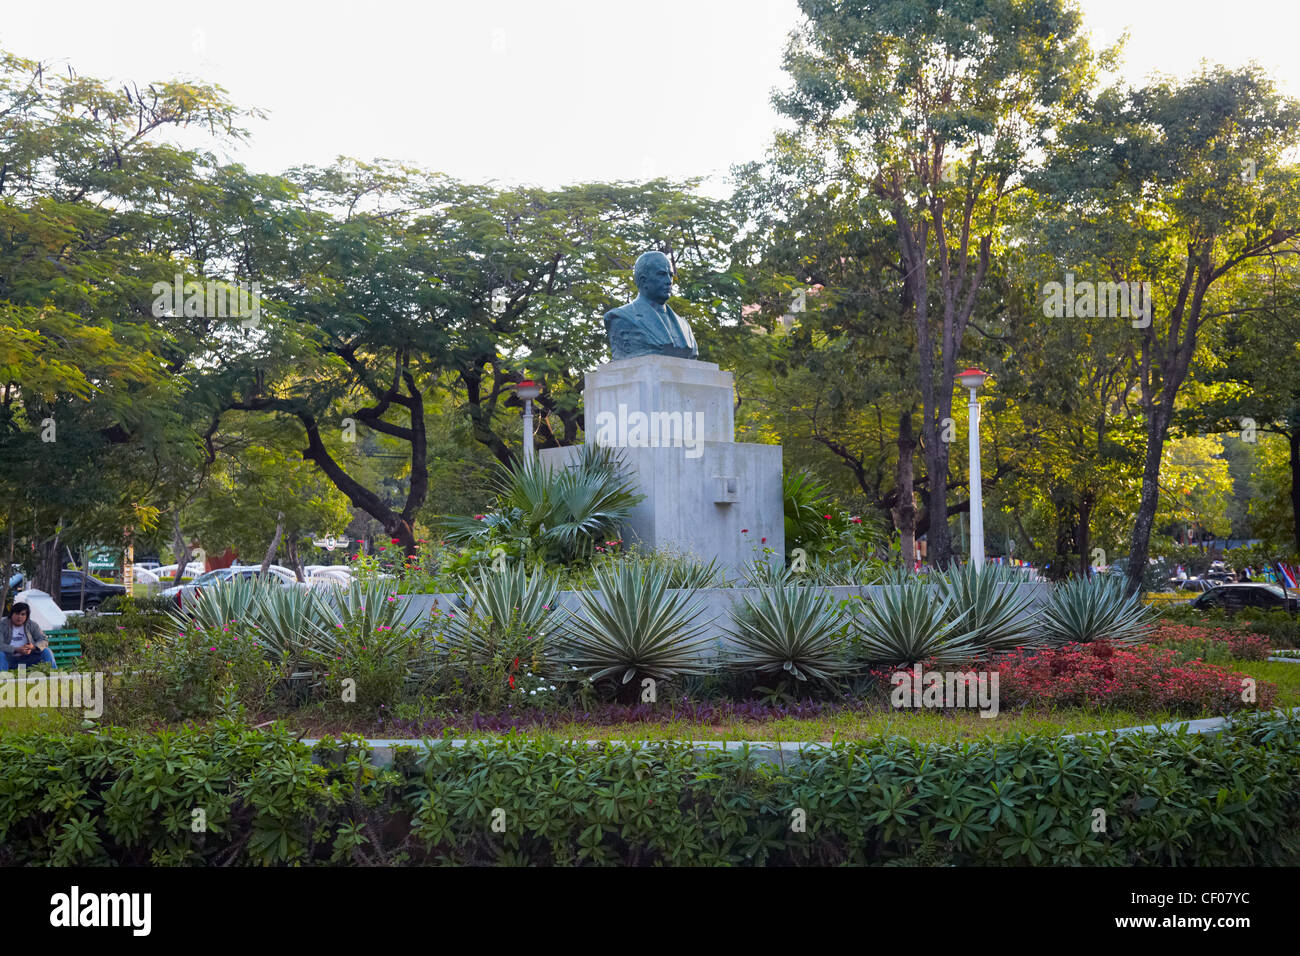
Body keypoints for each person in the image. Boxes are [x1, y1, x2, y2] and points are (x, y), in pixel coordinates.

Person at [603, 250, 699, 361]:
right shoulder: (621, 318)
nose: (669, 281)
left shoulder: (684, 326)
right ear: (643, 280)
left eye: (670, 275)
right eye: (661, 274)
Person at [0, 603, 56, 670]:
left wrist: (33, 647)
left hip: (27, 659)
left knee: (46, 651)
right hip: (9, 659)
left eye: (23, 614)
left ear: (27, 616)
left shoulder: (32, 625)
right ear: (11, 614)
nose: (19, 617)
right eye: (17, 614)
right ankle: (2, 679)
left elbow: (44, 639)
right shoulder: (2, 624)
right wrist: (17, 649)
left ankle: (53, 676)